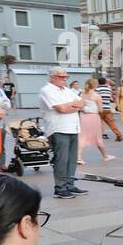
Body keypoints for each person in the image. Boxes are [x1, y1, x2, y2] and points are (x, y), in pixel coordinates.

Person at [39, 68, 86, 198]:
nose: (65, 79)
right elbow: (62, 109)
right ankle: (60, 187)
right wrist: (74, 105)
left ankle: (70, 184)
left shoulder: (66, 90)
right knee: (62, 159)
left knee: (71, 159)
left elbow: (82, 102)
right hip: (58, 128)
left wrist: (73, 105)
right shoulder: (47, 90)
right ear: (52, 77)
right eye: (61, 77)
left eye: (66, 77)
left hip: (73, 128)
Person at [77, 78, 116, 165]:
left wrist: (85, 108)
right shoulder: (96, 96)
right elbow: (100, 110)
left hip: (83, 116)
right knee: (98, 137)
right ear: (95, 85)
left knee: (82, 136)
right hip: (94, 117)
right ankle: (105, 156)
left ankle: (79, 157)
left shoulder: (81, 94)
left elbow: (79, 105)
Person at [96, 75, 123, 142]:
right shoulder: (109, 89)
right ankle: (118, 135)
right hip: (107, 108)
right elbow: (111, 98)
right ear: (105, 82)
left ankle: (97, 136)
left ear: (98, 83)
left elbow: (95, 98)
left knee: (97, 123)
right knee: (111, 123)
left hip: (99, 109)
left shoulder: (97, 89)